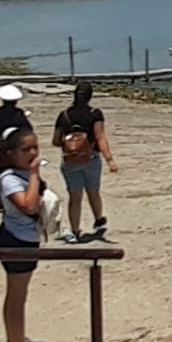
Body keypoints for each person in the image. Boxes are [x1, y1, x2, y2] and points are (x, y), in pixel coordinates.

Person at [0, 125, 51, 342]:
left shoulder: (21, 174)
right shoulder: (9, 178)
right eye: (26, 149)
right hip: (16, 240)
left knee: (20, 295)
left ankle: (15, 340)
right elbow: (28, 205)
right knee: (16, 297)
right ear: (11, 153)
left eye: (35, 147)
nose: (33, 153)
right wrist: (35, 174)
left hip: (27, 238)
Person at [52, 83, 117, 243]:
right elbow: (100, 137)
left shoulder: (64, 115)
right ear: (90, 96)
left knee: (75, 197)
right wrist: (109, 159)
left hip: (70, 160)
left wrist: (71, 144)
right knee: (93, 191)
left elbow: (55, 141)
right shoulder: (95, 114)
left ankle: (75, 230)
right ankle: (99, 220)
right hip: (91, 158)